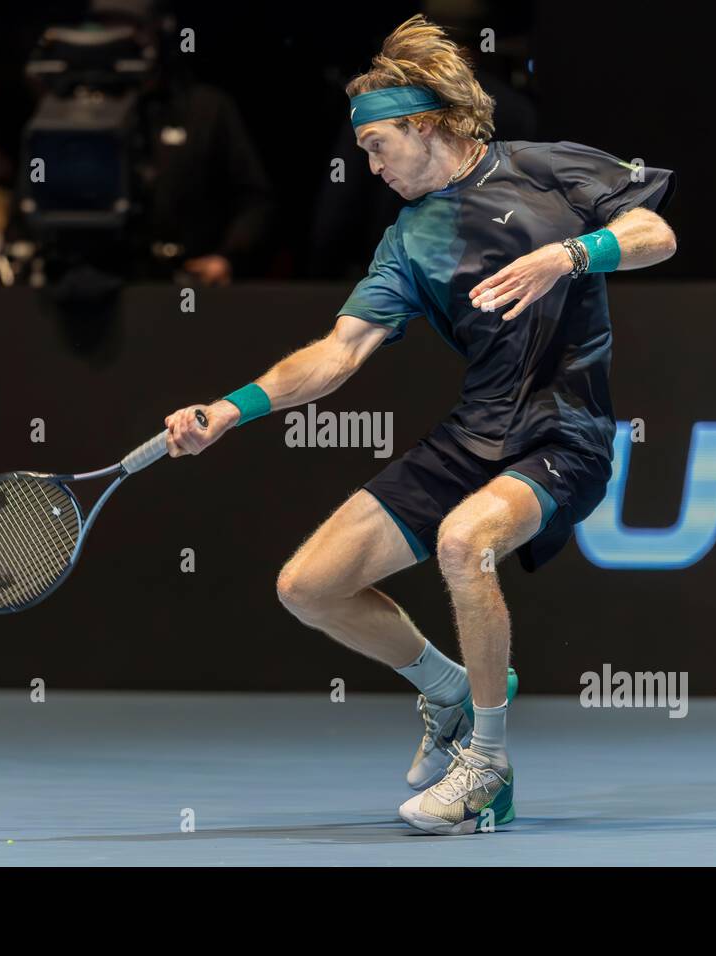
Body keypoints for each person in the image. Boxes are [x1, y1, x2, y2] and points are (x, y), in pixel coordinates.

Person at [162, 14, 677, 835]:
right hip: (474, 434)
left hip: (564, 432)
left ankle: (487, 766)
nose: (369, 165)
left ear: (426, 126)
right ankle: (448, 693)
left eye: (377, 148)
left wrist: (567, 256)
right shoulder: (406, 241)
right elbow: (337, 354)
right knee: (308, 587)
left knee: (462, 543)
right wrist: (229, 410)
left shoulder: (547, 170)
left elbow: (655, 233)